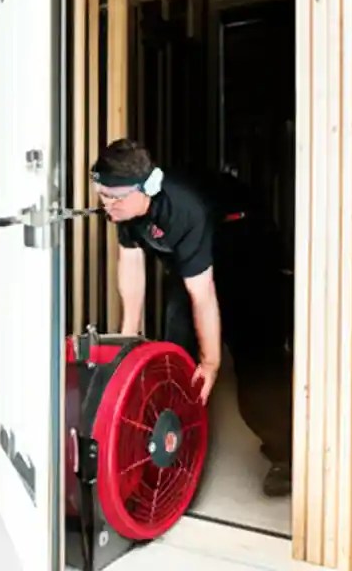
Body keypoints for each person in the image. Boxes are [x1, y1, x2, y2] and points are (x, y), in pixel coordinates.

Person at [91, 138, 294, 497]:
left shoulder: (184, 209)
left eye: (114, 198)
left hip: (244, 252)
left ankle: (286, 454)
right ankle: (170, 454)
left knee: (257, 361)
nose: (107, 205)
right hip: (193, 266)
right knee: (174, 355)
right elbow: (132, 266)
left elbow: (202, 295)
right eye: (102, 195)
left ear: (146, 190)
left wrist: (211, 362)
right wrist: (127, 336)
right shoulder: (125, 205)